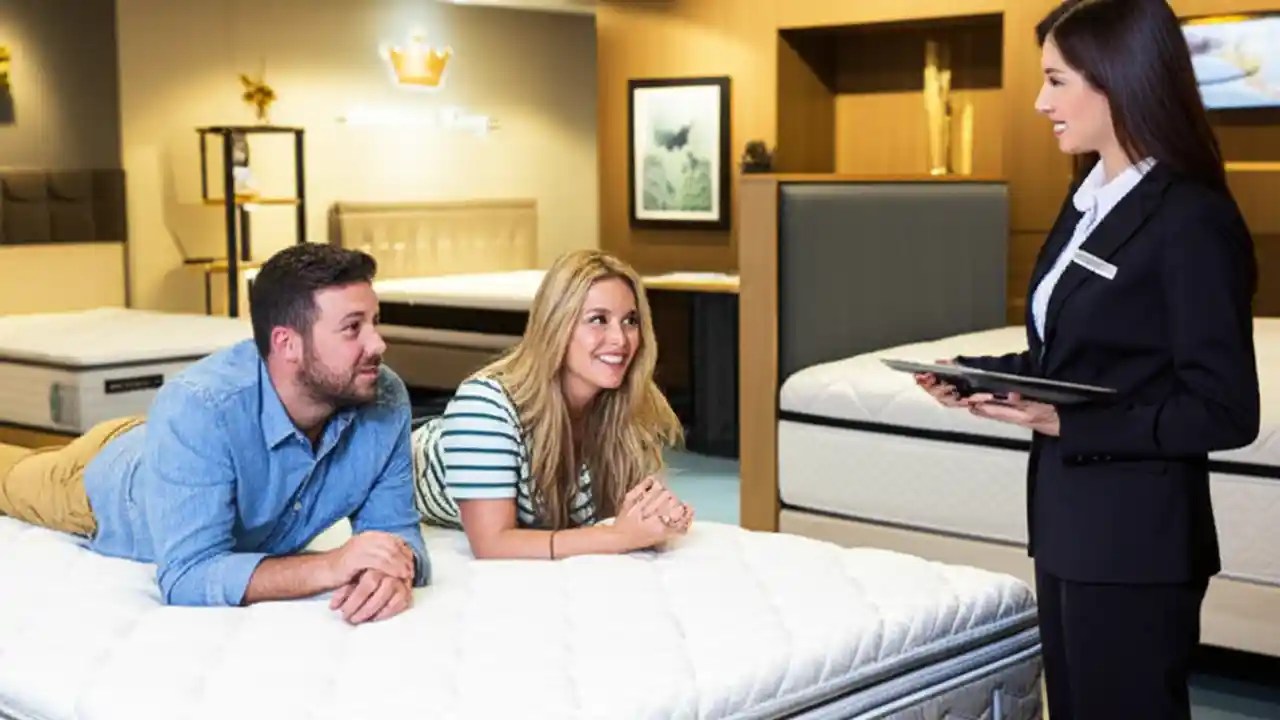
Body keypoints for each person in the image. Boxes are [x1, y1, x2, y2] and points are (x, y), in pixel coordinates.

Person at [916, 2, 1260, 718]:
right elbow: (1071, 353)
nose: (1041, 103)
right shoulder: (1089, 197)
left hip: (1138, 542)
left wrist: (1070, 424)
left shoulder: (1191, 218)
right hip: (1068, 525)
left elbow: (1227, 409)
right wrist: (977, 371)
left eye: (1056, 80)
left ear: (1119, 80)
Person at [0, 244, 430, 625]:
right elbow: (186, 576)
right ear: (287, 344)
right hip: (96, 478)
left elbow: (395, 528)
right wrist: (328, 566)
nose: (377, 344)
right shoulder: (200, 406)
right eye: (353, 327)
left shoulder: (383, 396)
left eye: (375, 321)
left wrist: (388, 568)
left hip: (177, 443)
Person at [411, 249, 693, 559]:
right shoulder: (484, 407)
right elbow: (492, 544)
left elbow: (621, 514)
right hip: (404, 455)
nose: (621, 340)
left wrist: (657, 517)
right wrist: (618, 536)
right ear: (556, 325)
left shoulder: (622, 404)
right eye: (598, 320)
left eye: (630, 321)